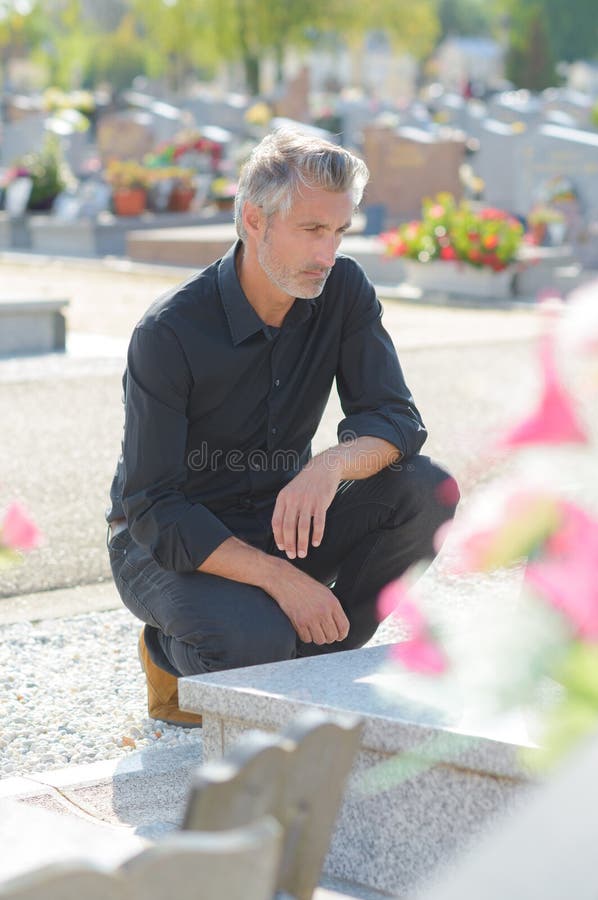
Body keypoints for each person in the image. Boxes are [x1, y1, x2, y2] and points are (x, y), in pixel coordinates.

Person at [106, 129, 458, 726]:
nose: (328, 253)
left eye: (340, 231)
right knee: (253, 644)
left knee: (427, 493)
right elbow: (154, 506)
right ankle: (170, 654)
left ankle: (315, 657)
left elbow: (395, 417)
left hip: (283, 521)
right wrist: (282, 581)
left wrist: (331, 464)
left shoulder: (342, 289)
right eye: (312, 230)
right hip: (168, 546)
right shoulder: (168, 332)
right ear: (254, 220)